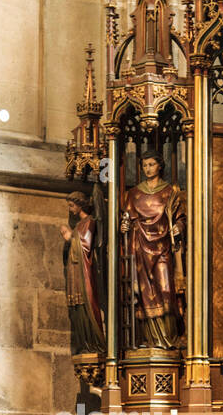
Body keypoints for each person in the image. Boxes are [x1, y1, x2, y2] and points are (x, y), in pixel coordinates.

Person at [120, 150, 186, 350]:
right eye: (144, 165)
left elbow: (180, 217)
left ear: (160, 166)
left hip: (163, 247)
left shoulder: (170, 191)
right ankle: (150, 339)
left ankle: (168, 338)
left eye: (151, 164)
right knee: (144, 292)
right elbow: (127, 219)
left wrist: (179, 227)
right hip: (140, 246)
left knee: (165, 289)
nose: (147, 169)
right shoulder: (133, 194)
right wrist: (124, 227)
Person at [61, 190, 105, 355]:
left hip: (84, 271)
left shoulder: (89, 222)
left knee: (86, 304)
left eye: (72, 205)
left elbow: (85, 246)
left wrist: (69, 237)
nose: (70, 209)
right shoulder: (79, 224)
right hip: (75, 271)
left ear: (80, 204)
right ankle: (84, 342)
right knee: (76, 307)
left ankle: (94, 343)